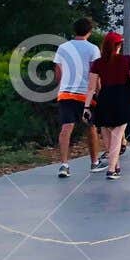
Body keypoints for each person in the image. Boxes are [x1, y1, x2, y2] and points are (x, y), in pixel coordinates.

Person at [86, 31, 130, 181]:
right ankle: (111, 170)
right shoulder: (128, 60)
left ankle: (116, 165)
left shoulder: (98, 63)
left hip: (105, 98)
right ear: (119, 45)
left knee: (107, 134)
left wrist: (86, 107)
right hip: (123, 98)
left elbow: (91, 88)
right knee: (118, 136)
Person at [54, 17, 103, 177]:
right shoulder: (93, 49)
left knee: (66, 128)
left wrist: (62, 86)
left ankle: (64, 165)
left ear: (74, 30)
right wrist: (99, 91)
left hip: (66, 93)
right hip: (85, 94)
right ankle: (95, 162)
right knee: (91, 127)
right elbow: (94, 73)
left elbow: (58, 72)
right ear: (90, 31)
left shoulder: (63, 48)